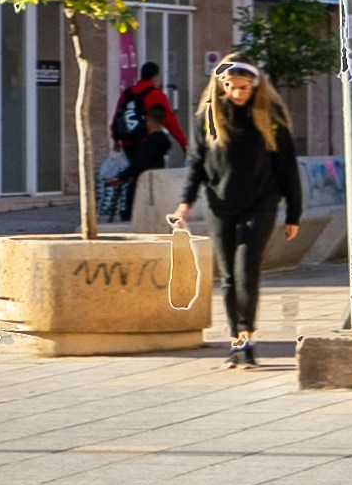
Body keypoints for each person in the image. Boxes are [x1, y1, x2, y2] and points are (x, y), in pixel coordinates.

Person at [189, 52, 305, 366]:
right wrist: (186, 201)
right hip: (220, 206)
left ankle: (248, 336)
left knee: (245, 270)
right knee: (228, 276)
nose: (238, 93)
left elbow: (287, 168)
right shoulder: (209, 117)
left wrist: (294, 212)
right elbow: (197, 162)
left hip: (260, 204)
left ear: (255, 86)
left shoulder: (271, 118)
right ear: (221, 85)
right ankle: (237, 342)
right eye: (231, 86)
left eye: (244, 87)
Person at [103, 60, 182, 228]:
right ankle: (143, 212)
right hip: (146, 141)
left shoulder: (128, 93)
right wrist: (183, 142)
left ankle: (129, 210)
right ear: (155, 77)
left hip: (128, 142)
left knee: (135, 175)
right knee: (150, 176)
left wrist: (116, 139)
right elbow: (169, 119)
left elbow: (118, 115)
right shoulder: (155, 94)